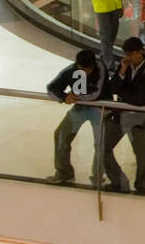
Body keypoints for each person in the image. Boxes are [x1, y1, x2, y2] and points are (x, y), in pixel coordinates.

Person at [102, 37, 145, 194]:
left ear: (139, 52)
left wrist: (124, 94)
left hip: (139, 118)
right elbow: (112, 88)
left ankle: (142, 187)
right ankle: (119, 183)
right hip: (120, 115)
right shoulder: (125, 67)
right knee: (103, 148)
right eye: (126, 54)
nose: (127, 58)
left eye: (130, 54)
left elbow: (144, 98)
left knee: (141, 155)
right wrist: (120, 73)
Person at [46, 48, 110, 185]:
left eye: (88, 69)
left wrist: (75, 97)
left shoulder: (101, 67)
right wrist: (64, 97)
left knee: (101, 144)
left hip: (100, 110)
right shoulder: (71, 70)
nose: (85, 72)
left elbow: (96, 94)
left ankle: (98, 177)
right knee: (61, 135)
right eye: (82, 69)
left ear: (94, 64)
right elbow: (51, 88)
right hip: (80, 108)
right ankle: (64, 173)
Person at [88, 0, 123, 73]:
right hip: (102, 8)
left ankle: (104, 56)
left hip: (114, 7)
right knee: (106, 37)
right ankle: (109, 66)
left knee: (112, 35)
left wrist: (120, 6)